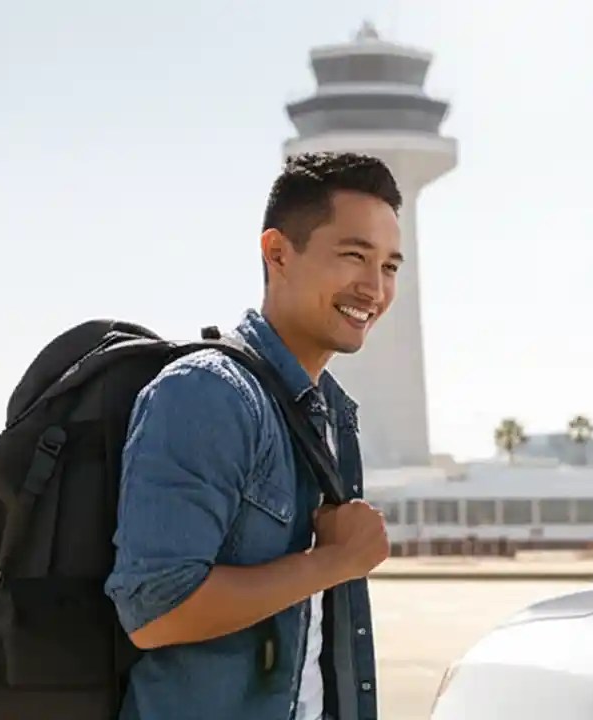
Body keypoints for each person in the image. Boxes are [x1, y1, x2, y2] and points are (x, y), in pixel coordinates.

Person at [104, 151, 401, 720]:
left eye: (389, 266)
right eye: (353, 256)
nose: (374, 288)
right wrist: (334, 562)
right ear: (277, 252)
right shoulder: (208, 394)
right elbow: (154, 610)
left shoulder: (331, 414)